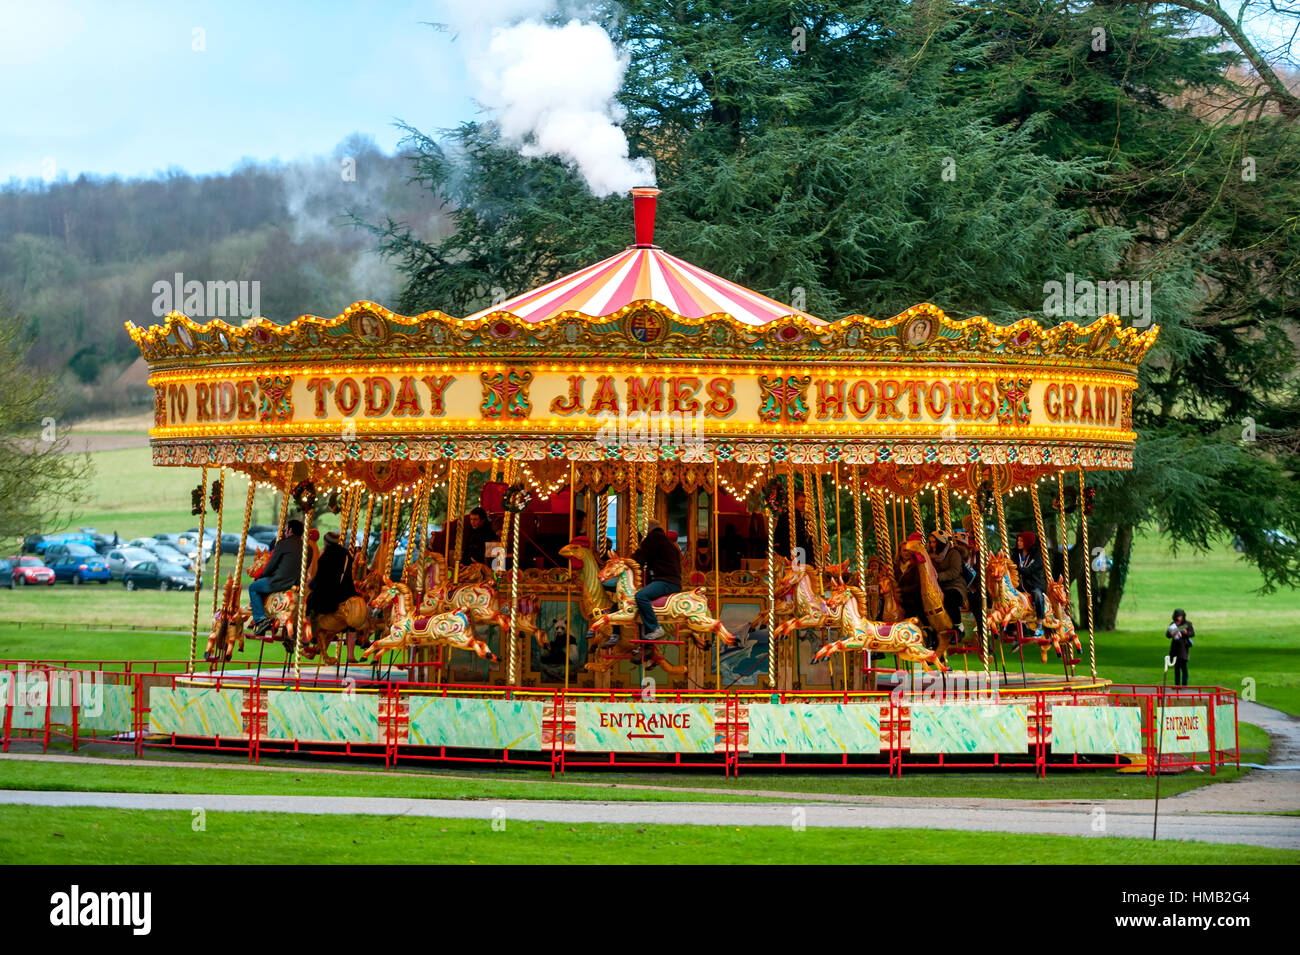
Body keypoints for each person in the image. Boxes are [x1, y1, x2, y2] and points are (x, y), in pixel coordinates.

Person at [606, 519, 681, 645]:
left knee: (641, 596)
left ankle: (655, 628)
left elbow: (639, 557)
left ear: (648, 529)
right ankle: (644, 643)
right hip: (670, 580)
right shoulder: (667, 542)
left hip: (666, 581)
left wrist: (624, 562)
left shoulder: (654, 539)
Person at [249, 519, 304, 634]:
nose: (284, 531)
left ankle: (260, 619)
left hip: (279, 582)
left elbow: (271, 565)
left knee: (253, 587)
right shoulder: (305, 547)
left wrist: (262, 575)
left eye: (286, 528)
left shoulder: (283, 544)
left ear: (290, 530)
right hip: (297, 584)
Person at [306, 531, 358, 617]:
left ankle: (310, 626)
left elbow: (320, 577)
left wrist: (311, 585)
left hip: (330, 594)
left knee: (307, 603)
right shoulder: (345, 553)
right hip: (346, 591)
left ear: (326, 542)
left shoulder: (325, 556)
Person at [929, 530, 966, 638]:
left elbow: (954, 572)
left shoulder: (953, 553)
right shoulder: (930, 556)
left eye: (934, 542)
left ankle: (959, 626)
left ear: (941, 542)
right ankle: (928, 627)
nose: (932, 545)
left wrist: (937, 576)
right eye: (930, 542)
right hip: (937, 587)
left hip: (955, 585)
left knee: (950, 598)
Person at [1015, 531, 1047, 638]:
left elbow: (1030, 570)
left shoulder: (1036, 555)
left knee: (1037, 595)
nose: (1018, 543)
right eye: (1018, 540)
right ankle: (1011, 628)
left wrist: (1017, 568)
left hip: (1033, 584)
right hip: (1019, 585)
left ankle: (1040, 623)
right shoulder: (1016, 554)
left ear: (1028, 542)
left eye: (1021, 541)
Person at [774, 492, 818, 567]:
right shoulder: (793, 517)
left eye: (804, 502)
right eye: (801, 502)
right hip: (792, 552)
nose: (804, 505)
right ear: (793, 502)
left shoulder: (794, 516)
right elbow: (797, 538)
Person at [1166, 609, 1194, 687]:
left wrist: (1186, 633)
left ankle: (1184, 685)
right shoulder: (1173, 624)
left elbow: (1192, 633)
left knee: (1183, 666)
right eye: (1177, 616)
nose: (1179, 618)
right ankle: (1177, 685)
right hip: (1175, 647)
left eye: (1180, 616)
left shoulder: (1187, 624)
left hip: (1183, 648)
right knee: (1176, 667)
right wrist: (1172, 633)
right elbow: (1167, 635)